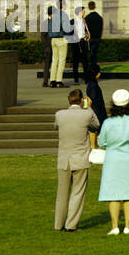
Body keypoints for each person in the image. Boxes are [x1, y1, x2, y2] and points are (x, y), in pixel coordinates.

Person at [97, 88, 129, 235]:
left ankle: (114, 226)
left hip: (113, 160)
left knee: (113, 193)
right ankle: (128, 226)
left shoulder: (108, 122)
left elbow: (101, 142)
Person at [54, 89, 99, 232]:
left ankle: (58, 224)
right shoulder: (87, 113)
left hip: (64, 159)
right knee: (78, 192)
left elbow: (56, 127)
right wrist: (89, 107)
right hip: (80, 158)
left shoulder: (59, 114)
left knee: (62, 193)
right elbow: (96, 125)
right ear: (81, 100)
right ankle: (71, 225)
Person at [48, 0, 69, 87]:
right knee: (61, 60)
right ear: (63, 5)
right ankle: (59, 81)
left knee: (54, 60)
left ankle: (52, 80)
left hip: (53, 40)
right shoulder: (64, 15)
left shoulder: (53, 16)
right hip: (61, 39)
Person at [66, 5, 87, 84]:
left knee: (85, 61)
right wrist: (72, 39)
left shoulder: (84, 21)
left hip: (83, 42)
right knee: (76, 61)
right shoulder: (72, 21)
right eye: (83, 11)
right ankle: (76, 79)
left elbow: (86, 31)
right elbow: (67, 33)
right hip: (75, 43)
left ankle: (86, 78)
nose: (84, 13)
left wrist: (86, 37)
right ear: (79, 12)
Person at [84, 64, 107, 130]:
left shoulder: (91, 84)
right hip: (97, 114)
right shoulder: (93, 85)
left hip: (97, 113)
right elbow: (94, 101)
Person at [84, 0, 104, 73]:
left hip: (90, 39)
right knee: (94, 55)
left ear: (88, 7)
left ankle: (90, 71)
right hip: (97, 38)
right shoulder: (99, 17)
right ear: (95, 7)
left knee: (89, 56)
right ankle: (94, 70)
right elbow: (101, 29)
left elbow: (85, 30)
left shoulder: (87, 18)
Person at [40, 4, 54, 87]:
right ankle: (47, 81)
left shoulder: (45, 22)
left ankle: (47, 81)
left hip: (49, 47)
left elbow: (43, 36)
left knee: (48, 64)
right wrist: (47, 47)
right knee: (48, 64)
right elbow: (43, 36)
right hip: (49, 47)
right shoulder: (47, 23)